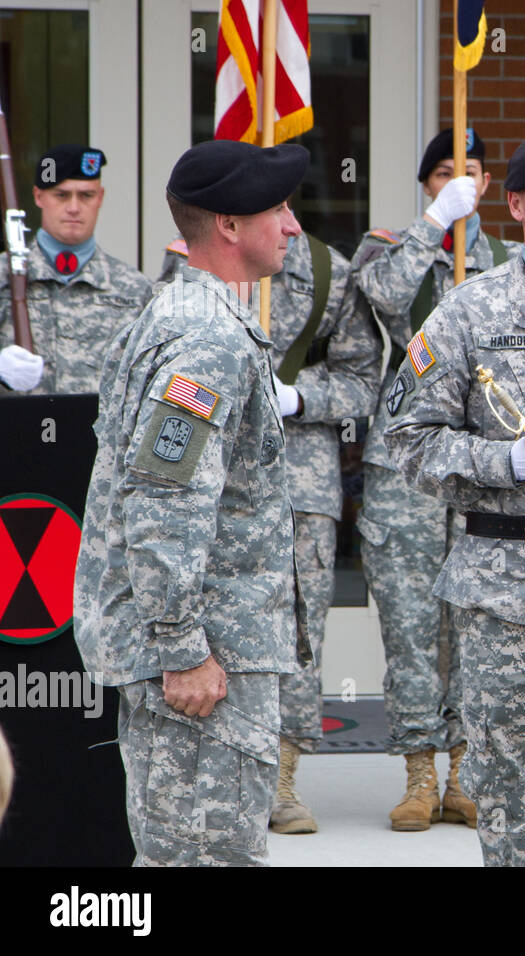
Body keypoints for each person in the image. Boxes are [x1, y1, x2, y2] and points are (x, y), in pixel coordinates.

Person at [73, 139, 310, 865]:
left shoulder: (179, 314)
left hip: (205, 652)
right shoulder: (205, 337)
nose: (294, 226)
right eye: (277, 209)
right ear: (230, 227)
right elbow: (163, 500)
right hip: (208, 666)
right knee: (206, 857)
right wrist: (183, 649)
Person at [383, 125, 525, 866]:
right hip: (510, 599)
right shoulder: (469, 310)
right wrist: (505, 460)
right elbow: (405, 438)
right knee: (515, 815)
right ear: (514, 203)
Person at [159, 190, 381, 839]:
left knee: (300, 628)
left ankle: (283, 774)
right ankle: (227, 762)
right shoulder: (186, 270)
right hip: (217, 474)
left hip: (299, 477)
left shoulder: (327, 270)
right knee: (220, 620)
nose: (283, 222)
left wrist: (302, 397)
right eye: (268, 207)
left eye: (288, 205)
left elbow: (364, 379)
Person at [351, 127, 517, 831]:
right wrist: (434, 224)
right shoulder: (391, 248)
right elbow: (387, 301)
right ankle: (419, 770)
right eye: (444, 172)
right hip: (408, 462)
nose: (459, 180)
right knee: (412, 622)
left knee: (475, 622)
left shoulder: (510, 261)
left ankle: (468, 769)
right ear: (427, 184)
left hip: (487, 460)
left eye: (471, 172)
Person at [0, 145, 152, 394]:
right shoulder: (5, 275)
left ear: (100, 197)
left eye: (86, 196)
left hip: (93, 432)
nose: (73, 207)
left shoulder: (134, 288)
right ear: (38, 196)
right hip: (17, 430)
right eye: (61, 195)